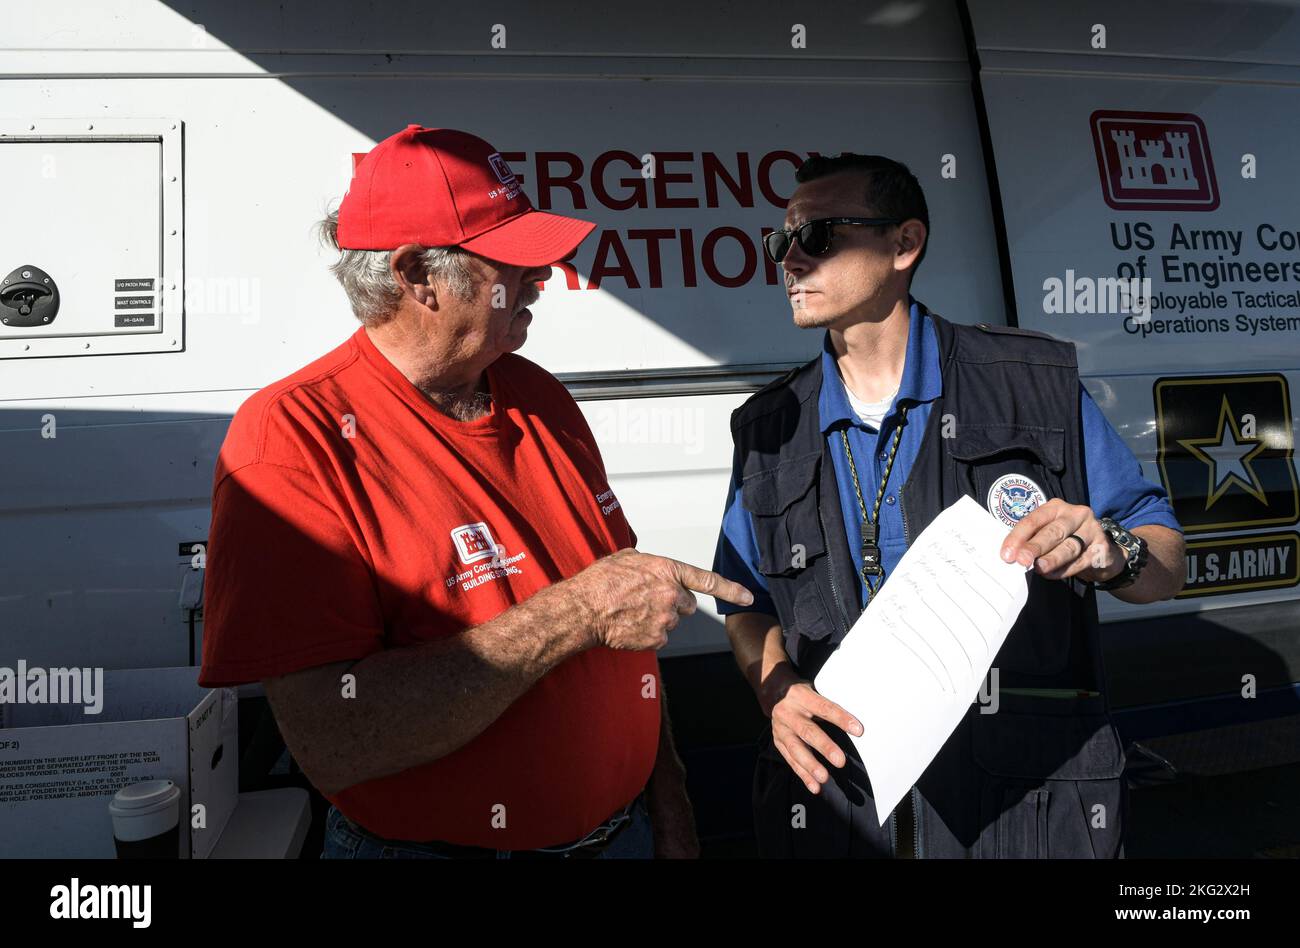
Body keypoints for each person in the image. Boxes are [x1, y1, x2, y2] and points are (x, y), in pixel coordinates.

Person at [197, 125, 753, 859]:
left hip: (626, 833)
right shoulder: (290, 439)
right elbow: (335, 736)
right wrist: (579, 609)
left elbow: (628, 624)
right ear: (417, 276)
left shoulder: (537, 395)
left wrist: (670, 805)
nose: (544, 277)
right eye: (513, 261)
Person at [712, 153, 1186, 858]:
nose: (791, 260)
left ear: (905, 244)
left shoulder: (1031, 389)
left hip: (1023, 808)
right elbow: (745, 600)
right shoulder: (769, 425)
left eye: (818, 237)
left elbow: (1167, 562)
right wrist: (773, 690)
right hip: (843, 808)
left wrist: (1112, 552)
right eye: (782, 241)